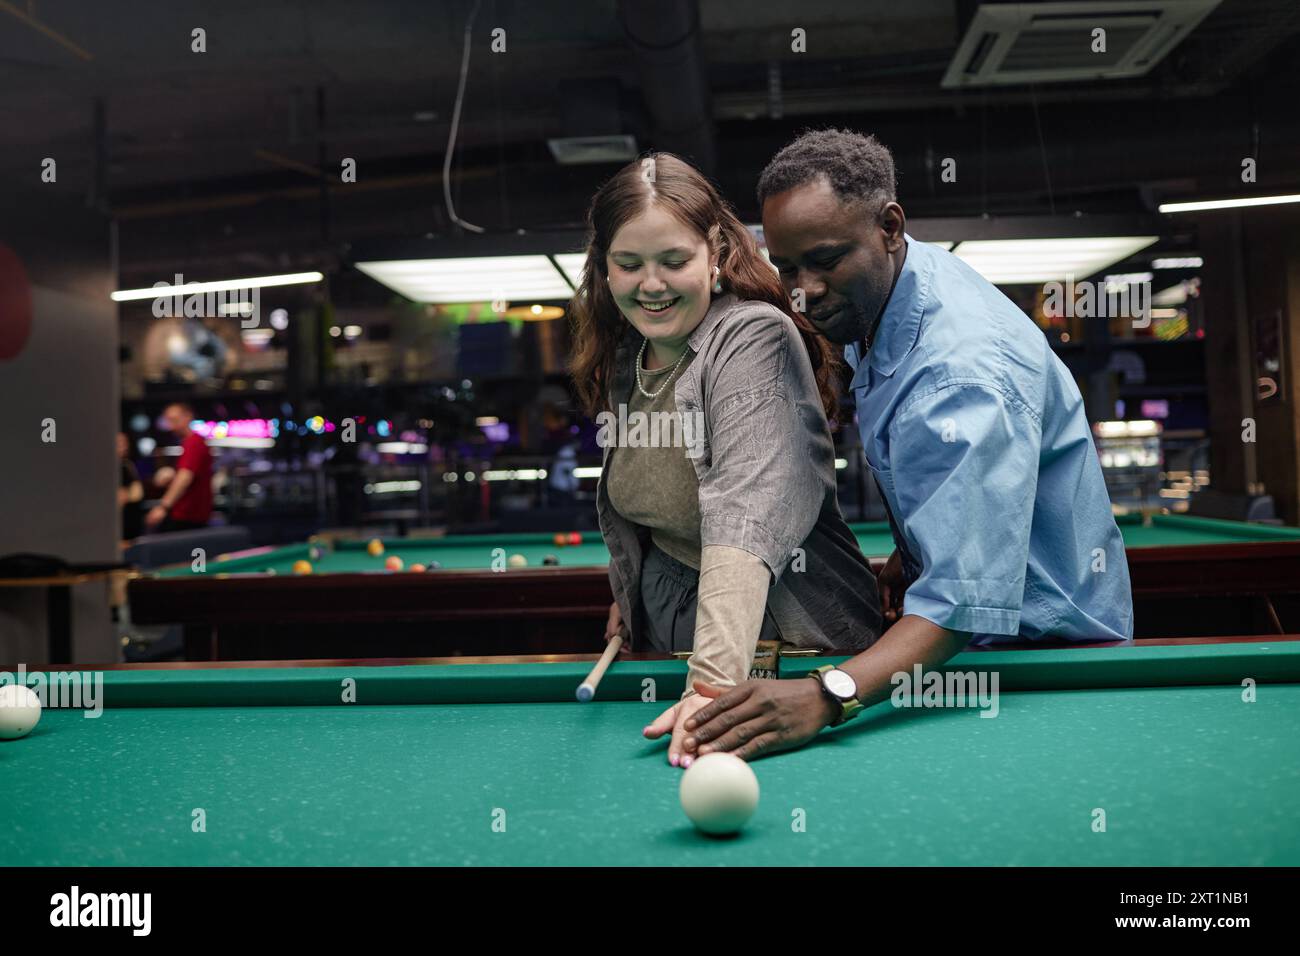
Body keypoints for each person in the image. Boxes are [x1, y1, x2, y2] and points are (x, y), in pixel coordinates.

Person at [681, 128, 1134, 760]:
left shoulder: (960, 374)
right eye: (787, 268)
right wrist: (923, 544)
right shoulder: (888, 290)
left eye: (826, 260)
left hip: (1043, 664)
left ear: (891, 227)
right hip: (983, 649)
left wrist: (824, 694)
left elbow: (960, 605)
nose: (803, 292)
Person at [570, 152, 883, 767]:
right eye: (628, 264)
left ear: (714, 253)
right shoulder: (630, 355)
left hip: (788, 637)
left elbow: (745, 514)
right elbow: (656, 502)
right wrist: (633, 585)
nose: (651, 285)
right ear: (604, 270)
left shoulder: (752, 336)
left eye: (674, 261)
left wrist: (711, 686)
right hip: (676, 624)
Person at [144, 403, 214, 532]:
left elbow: (184, 477)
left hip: (188, 516)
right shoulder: (190, 442)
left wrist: (163, 507)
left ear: (188, 417)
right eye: (168, 421)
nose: (171, 426)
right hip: (189, 515)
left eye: (174, 420)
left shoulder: (194, 442)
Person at [117, 432, 144, 542]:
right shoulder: (117, 467)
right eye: (118, 444)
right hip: (122, 526)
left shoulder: (127, 464)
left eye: (125, 443)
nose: (123, 447)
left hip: (133, 522)